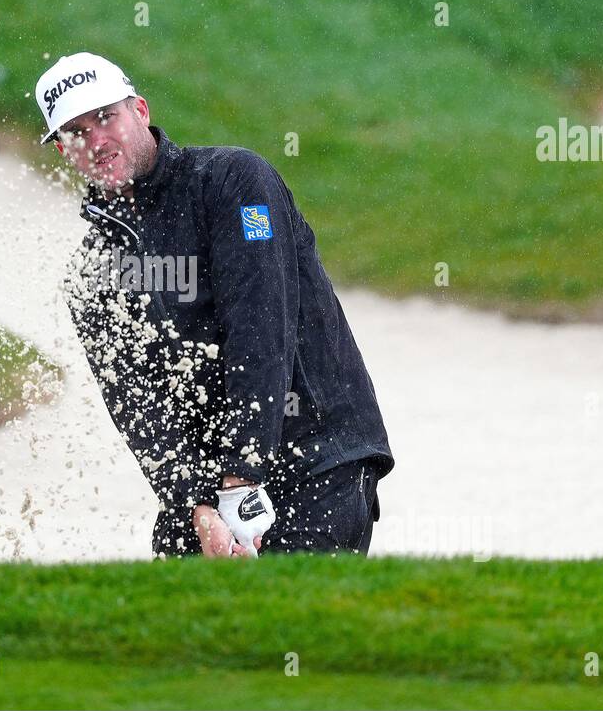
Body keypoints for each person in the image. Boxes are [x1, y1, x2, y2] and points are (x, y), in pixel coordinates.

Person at [37, 52, 393, 559]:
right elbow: (139, 407)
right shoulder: (91, 273)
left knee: (296, 631)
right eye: (74, 132)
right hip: (207, 494)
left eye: (104, 117)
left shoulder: (232, 182)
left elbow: (262, 328)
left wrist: (240, 484)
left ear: (140, 110)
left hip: (316, 458)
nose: (95, 141)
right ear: (62, 152)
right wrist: (198, 508)